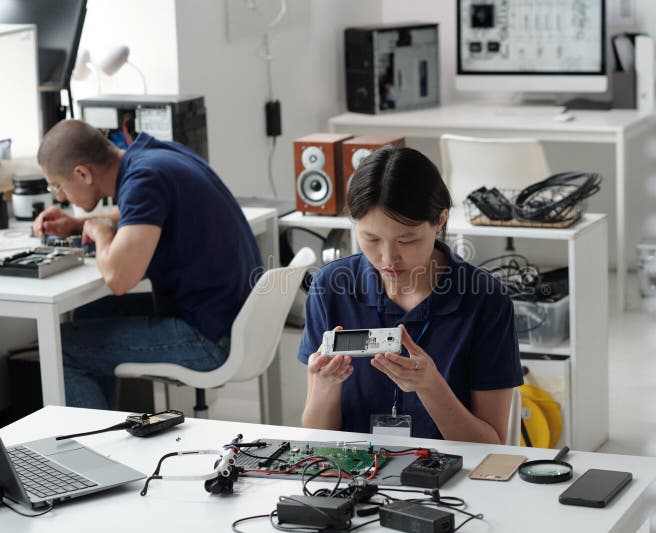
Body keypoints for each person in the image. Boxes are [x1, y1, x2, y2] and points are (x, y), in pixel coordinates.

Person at [298, 146, 523, 444]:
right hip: (353, 474)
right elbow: (316, 437)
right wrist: (324, 385)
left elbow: (491, 446)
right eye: (371, 238)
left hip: (450, 480)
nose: (388, 258)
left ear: (440, 221)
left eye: (407, 239)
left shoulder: (485, 300)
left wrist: (431, 387)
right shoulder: (330, 288)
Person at [34, 119, 263, 409]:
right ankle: (112, 435)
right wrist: (78, 224)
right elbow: (141, 213)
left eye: (58, 186)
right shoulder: (157, 156)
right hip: (231, 318)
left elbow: (119, 279)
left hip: (208, 338)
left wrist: (102, 231)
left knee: (61, 350)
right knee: (91, 313)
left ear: (82, 173)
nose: (61, 197)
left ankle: (93, 452)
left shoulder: (144, 180)